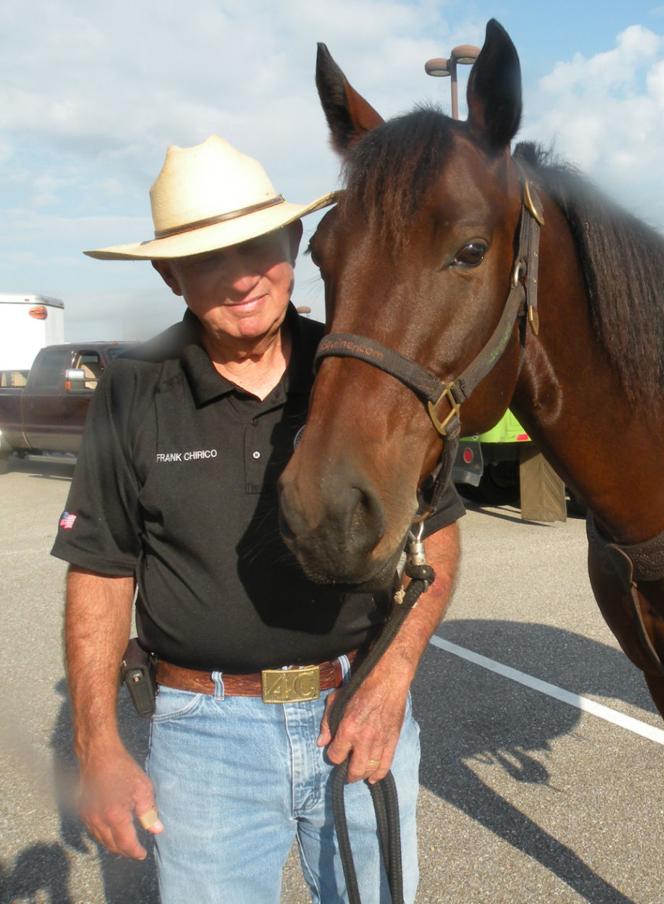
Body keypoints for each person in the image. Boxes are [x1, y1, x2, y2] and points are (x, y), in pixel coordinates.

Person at [52, 135, 463, 903]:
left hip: (358, 710)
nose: (241, 276)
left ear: (295, 242)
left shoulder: (358, 370)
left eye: (257, 247)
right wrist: (96, 743)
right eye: (208, 258)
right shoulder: (135, 389)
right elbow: (102, 571)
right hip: (204, 736)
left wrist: (392, 681)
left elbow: (434, 534)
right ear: (170, 275)